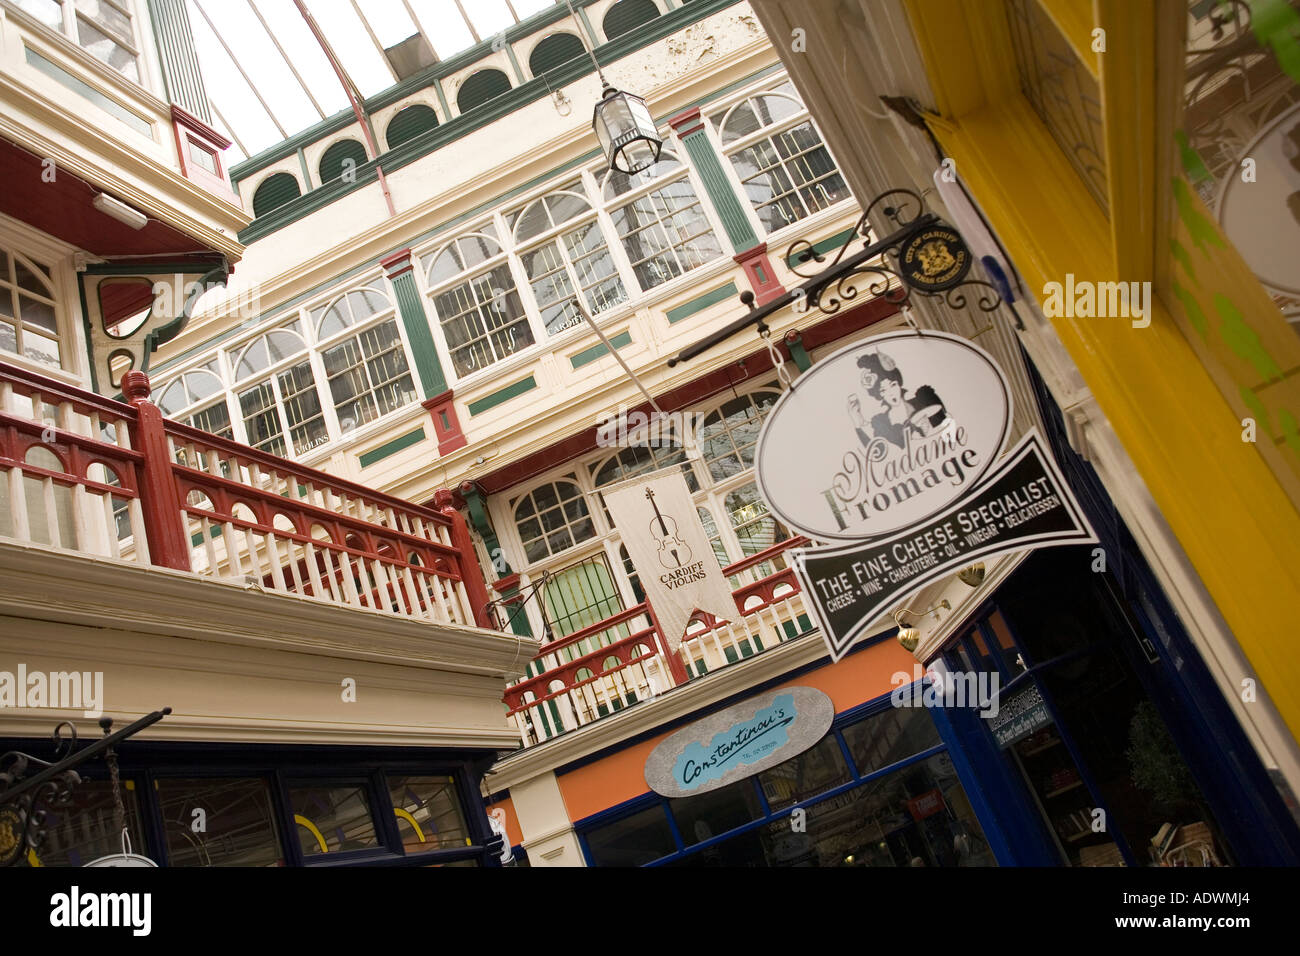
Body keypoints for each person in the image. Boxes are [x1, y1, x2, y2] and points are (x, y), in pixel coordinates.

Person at [854, 350, 949, 449]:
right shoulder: (881, 423)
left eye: (893, 385)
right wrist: (857, 423)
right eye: (883, 390)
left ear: (899, 384)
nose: (890, 393)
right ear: (879, 394)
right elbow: (877, 452)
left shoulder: (924, 398)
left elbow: (949, 423)